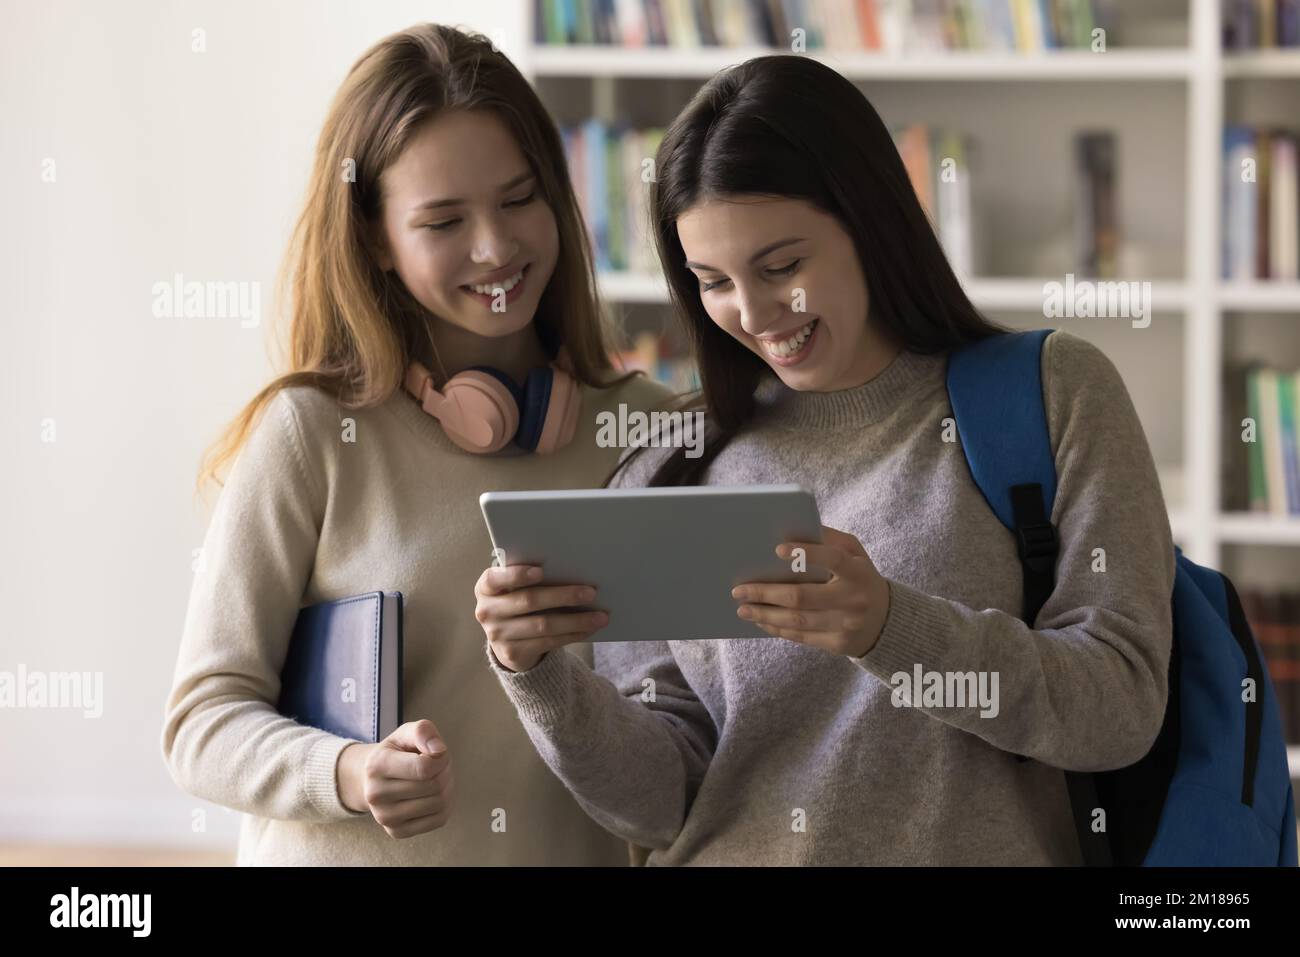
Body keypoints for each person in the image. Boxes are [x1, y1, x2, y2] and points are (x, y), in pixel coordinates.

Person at [474, 55, 1176, 865]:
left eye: (782, 267)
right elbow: (662, 801)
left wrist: (891, 627)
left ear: (870, 220)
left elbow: (1121, 706)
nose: (754, 312)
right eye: (713, 280)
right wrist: (538, 677)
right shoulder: (672, 461)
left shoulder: (1049, 393)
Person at [162, 23, 675, 865]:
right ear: (375, 239)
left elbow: (694, 730)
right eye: (443, 220)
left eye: (519, 200)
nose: (496, 246)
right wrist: (348, 770)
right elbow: (200, 722)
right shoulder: (312, 432)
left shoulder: (653, 433)